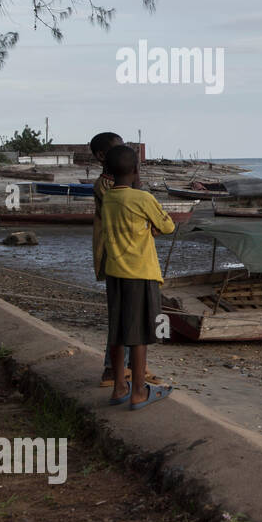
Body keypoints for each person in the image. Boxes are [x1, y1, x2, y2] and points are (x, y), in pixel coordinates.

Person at [100, 144, 174, 409]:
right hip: (140, 274)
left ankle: (119, 387)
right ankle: (139, 391)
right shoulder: (142, 199)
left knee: (117, 332)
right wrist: (140, 187)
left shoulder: (108, 197)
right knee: (139, 334)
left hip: (114, 273)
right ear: (135, 169)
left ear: (107, 171)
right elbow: (168, 225)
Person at [89, 132, 157, 388]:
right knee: (127, 319)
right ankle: (115, 371)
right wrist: (136, 182)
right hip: (121, 259)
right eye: (120, 151)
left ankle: (129, 370)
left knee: (125, 317)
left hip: (124, 257)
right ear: (103, 157)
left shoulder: (111, 185)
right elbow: (130, 208)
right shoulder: (107, 186)